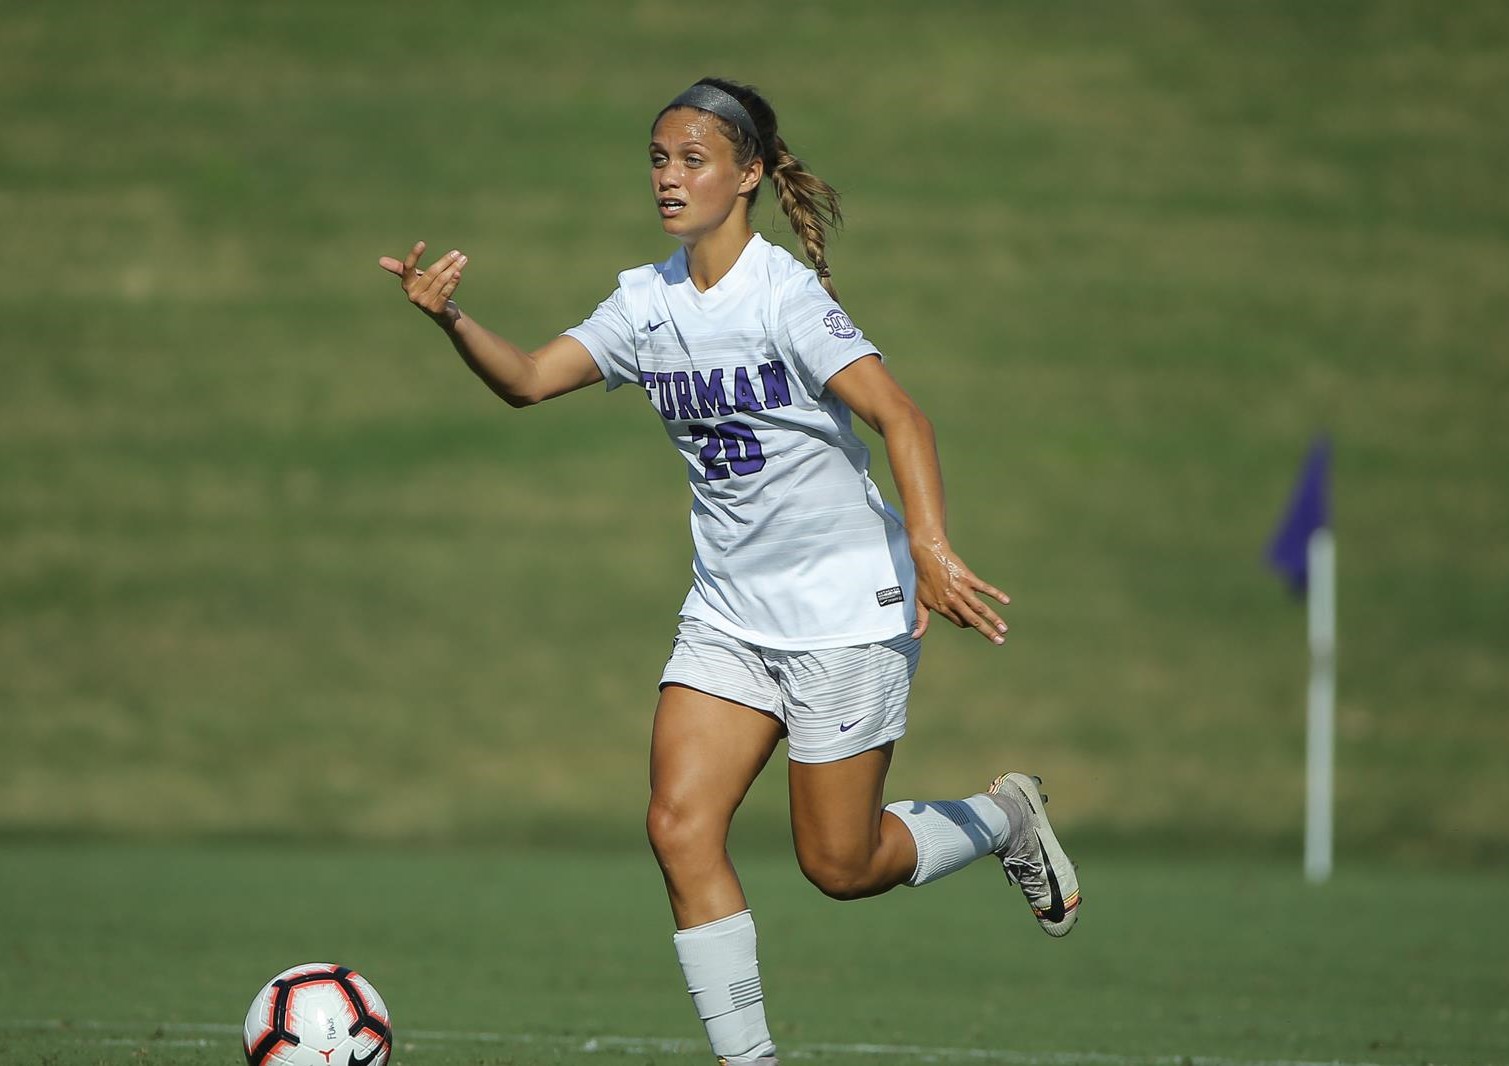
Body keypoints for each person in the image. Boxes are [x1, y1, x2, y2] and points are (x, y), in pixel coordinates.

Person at [378, 79, 1079, 1064]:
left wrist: (930, 547)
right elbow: (529, 380)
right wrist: (451, 320)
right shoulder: (645, 301)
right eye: (658, 159)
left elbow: (903, 417)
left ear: (747, 174)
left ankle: (1004, 818)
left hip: (844, 612)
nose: (669, 177)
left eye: (693, 160)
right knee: (678, 825)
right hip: (729, 615)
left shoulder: (784, 296)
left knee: (839, 865)